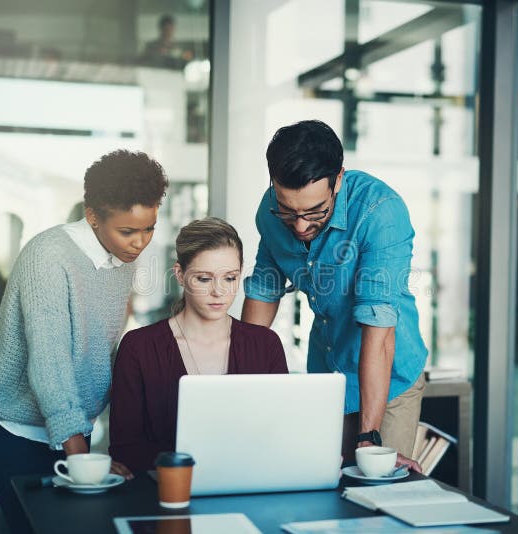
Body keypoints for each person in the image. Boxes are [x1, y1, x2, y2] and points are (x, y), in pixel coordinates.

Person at [0, 150, 168, 533]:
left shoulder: (121, 258)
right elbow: (50, 362)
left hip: (73, 424)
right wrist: (84, 464)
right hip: (14, 426)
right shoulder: (48, 255)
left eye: (149, 228)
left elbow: (94, 341)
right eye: (128, 231)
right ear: (92, 215)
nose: (140, 243)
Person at [241, 120, 428, 471]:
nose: (298, 226)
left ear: (338, 180)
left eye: (315, 212)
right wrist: (243, 389)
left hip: (389, 379)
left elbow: (379, 328)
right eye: (288, 211)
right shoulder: (270, 212)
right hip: (326, 373)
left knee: (374, 486)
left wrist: (368, 437)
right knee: (325, 485)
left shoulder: (380, 213)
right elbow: (264, 293)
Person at [109, 217, 288, 473]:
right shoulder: (139, 348)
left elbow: (280, 433)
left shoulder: (265, 345)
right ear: (180, 275)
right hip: (164, 496)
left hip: (249, 489)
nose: (219, 292)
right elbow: (125, 449)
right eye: (204, 279)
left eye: (229, 278)